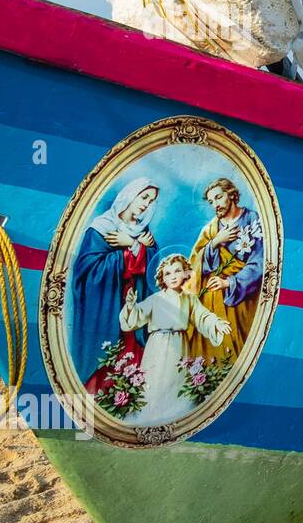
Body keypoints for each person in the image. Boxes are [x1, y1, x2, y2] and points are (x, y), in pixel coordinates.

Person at [120, 254, 232, 427]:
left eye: (177, 271)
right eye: (168, 273)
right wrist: (130, 306)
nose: (173, 277)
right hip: (157, 346)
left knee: (177, 383)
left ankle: (174, 420)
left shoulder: (189, 299)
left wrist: (216, 323)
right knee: (155, 382)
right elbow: (135, 318)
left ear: (186, 273)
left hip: (180, 345)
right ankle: (150, 420)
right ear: (162, 278)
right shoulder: (155, 299)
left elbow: (202, 317)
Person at [70, 178, 160, 392]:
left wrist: (132, 244)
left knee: (132, 351)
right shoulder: (101, 228)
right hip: (109, 303)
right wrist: (131, 252)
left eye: (152, 201)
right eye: (144, 196)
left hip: (134, 301)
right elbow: (87, 271)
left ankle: (128, 393)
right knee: (110, 354)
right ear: (131, 194)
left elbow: (156, 264)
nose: (147, 203)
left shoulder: (142, 231)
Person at [187, 177, 264, 365]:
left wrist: (229, 282)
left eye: (218, 198)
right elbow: (194, 263)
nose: (215, 205)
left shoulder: (253, 220)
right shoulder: (211, 229)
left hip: (241, 300)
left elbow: (260, 262)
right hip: (212, 301)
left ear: (231, 195)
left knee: (240, 351)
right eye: (211, 201)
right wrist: (215, 242)